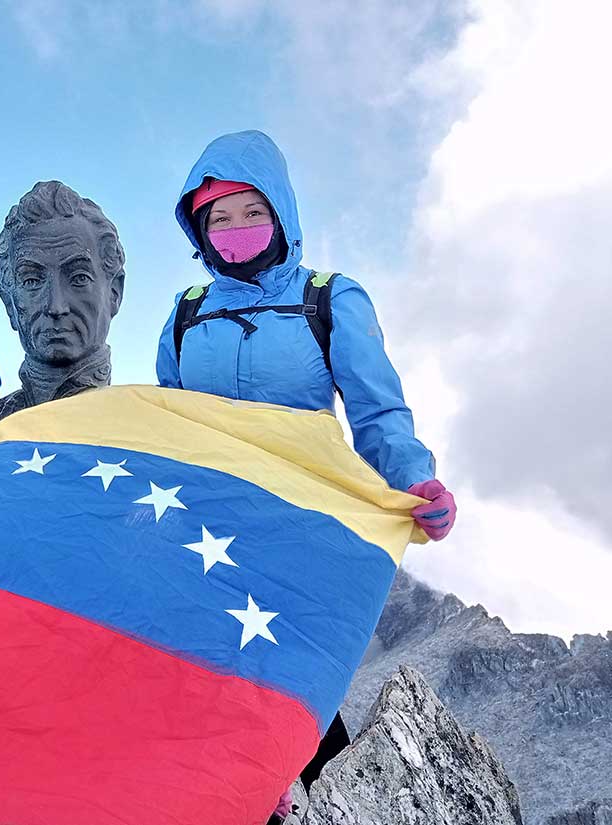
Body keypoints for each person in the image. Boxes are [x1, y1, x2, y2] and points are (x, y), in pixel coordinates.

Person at [156, 130, 456, 824]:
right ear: (198, 229)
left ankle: (314, 802)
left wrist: (414, 479)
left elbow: (378, 409)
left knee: (286, 675)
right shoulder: (187, 311)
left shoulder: (330, 298)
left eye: (249, 210)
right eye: (216, 218)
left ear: (282, 213)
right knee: (209, 673)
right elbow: (164, 420)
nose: (234, 229)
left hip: (298, 526)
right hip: (208, 523)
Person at [0, 180, 125, 431]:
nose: (56, 306)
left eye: (79, 278)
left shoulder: (147, 431)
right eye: (32, 280)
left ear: (114, 292)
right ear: (9, 305)